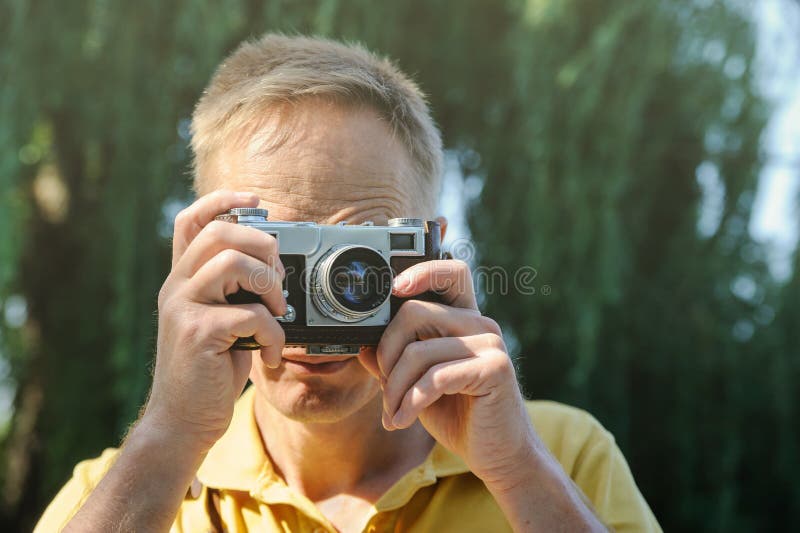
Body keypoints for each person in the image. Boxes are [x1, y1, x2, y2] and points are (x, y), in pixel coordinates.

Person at [35, 34, 660, 532]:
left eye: (355, 258)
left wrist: (516, 471)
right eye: (271, 255)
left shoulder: (561, 457)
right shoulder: (127, 489)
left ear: (427, 250)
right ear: (200, 256)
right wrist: (169, 439)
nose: (309, 299)